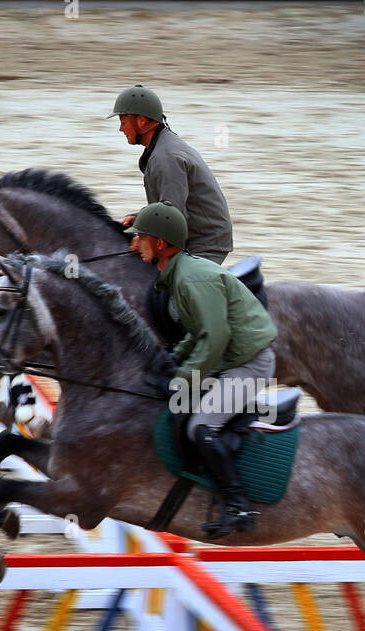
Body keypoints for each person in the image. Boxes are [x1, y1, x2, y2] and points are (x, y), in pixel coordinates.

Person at [126, 202, 277, 539]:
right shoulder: (178, 275)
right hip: (229, 356)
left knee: (200, 426)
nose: (137, 245)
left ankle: (238, 504)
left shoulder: (191, 280)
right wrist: (173, 359)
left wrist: (182, 379)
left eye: (143, 239)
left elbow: (215, 337)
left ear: (162, 245)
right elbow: (197, 334)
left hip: (249, 363)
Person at [109, 85, 233, 264]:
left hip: (203, 244)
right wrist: (140, 218)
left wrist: (143, 239)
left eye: (123, 122)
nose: (121, 129)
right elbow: (167, 206)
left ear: (142, 121)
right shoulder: (161, 148)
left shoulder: (165, 158)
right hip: (194, 236)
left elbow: (172, 213)